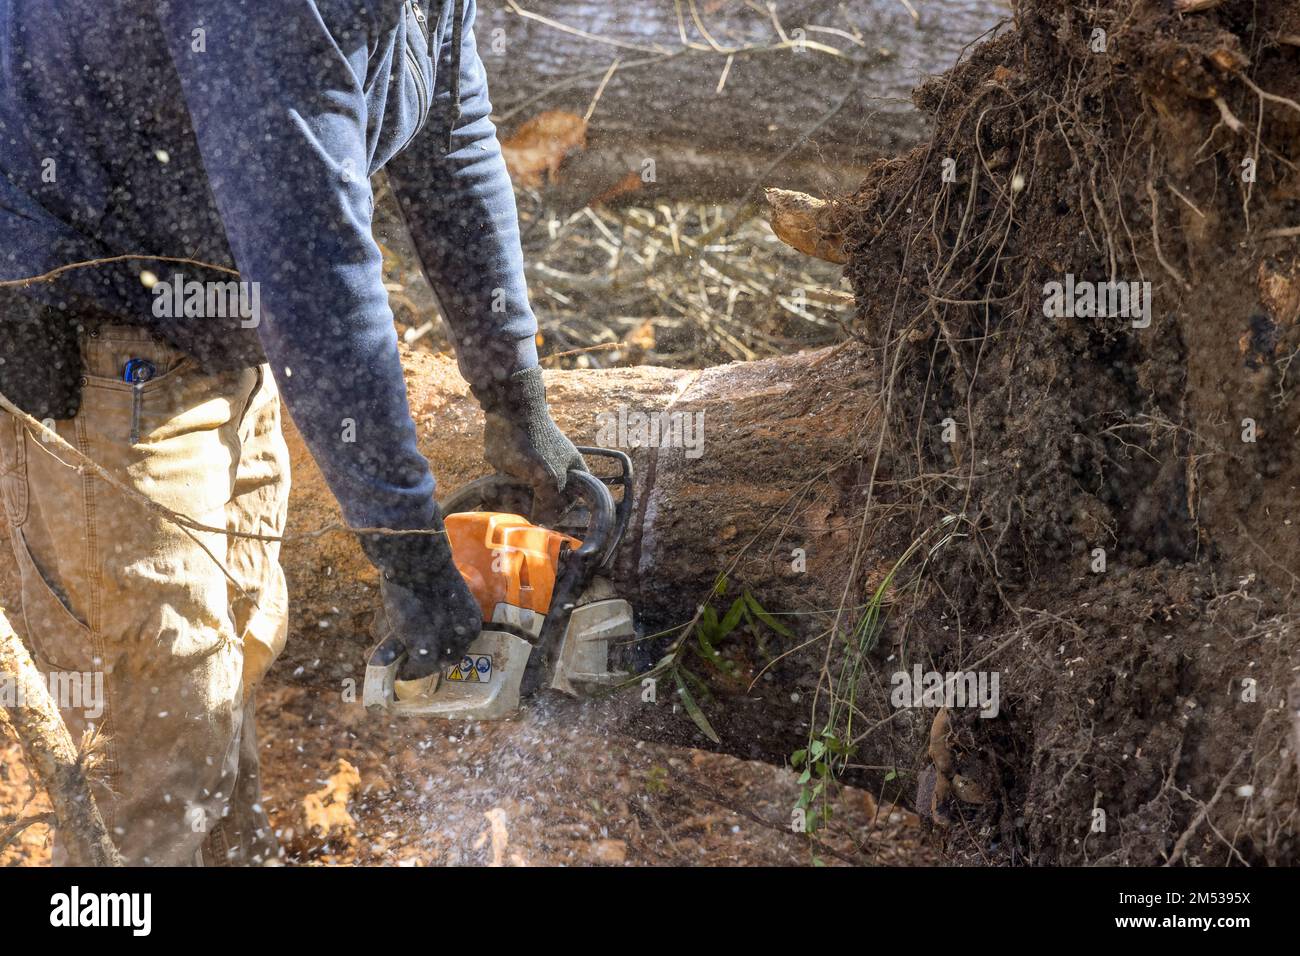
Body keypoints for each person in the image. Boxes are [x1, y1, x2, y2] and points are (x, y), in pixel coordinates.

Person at [0, 0, 584, 865]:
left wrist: (515, 396)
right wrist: (406, 550)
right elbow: (317, 275)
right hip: (96, 329)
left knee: (238, 645)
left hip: (220, 318)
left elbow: (454, 141)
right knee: (161, 716)